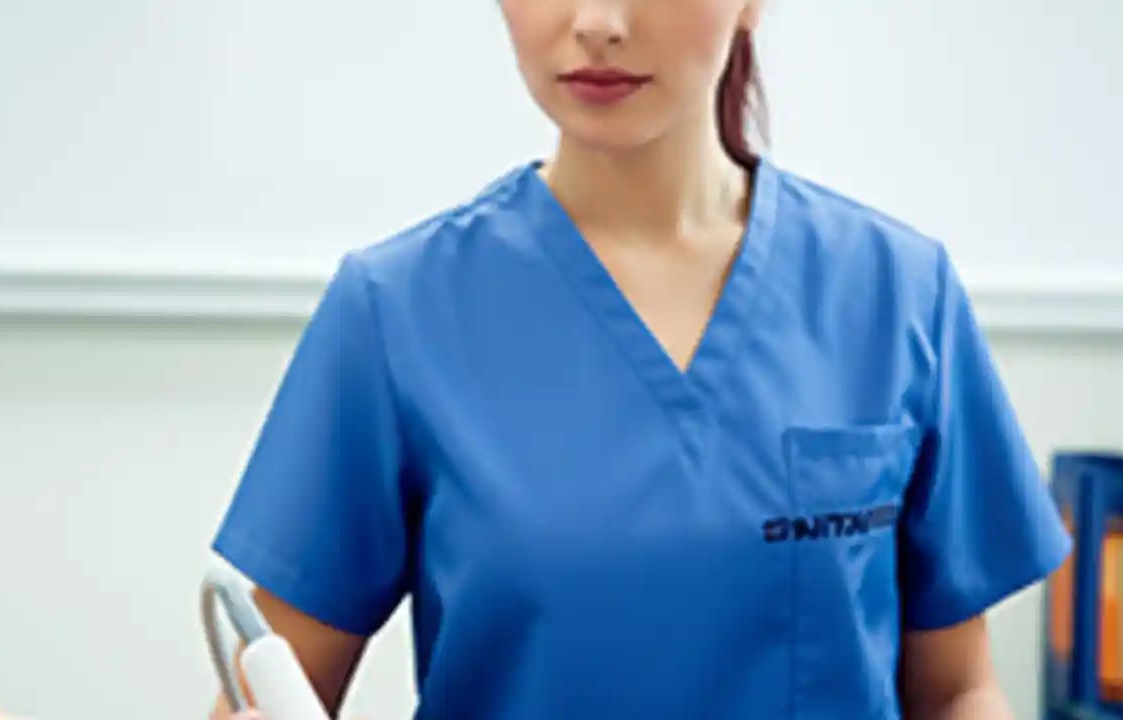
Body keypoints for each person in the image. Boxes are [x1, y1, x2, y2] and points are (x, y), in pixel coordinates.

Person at [209, 0, 1072, 717]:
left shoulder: (894, 293)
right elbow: (277, 687)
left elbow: (958, 687)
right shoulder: (395, 312)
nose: (596, 22)